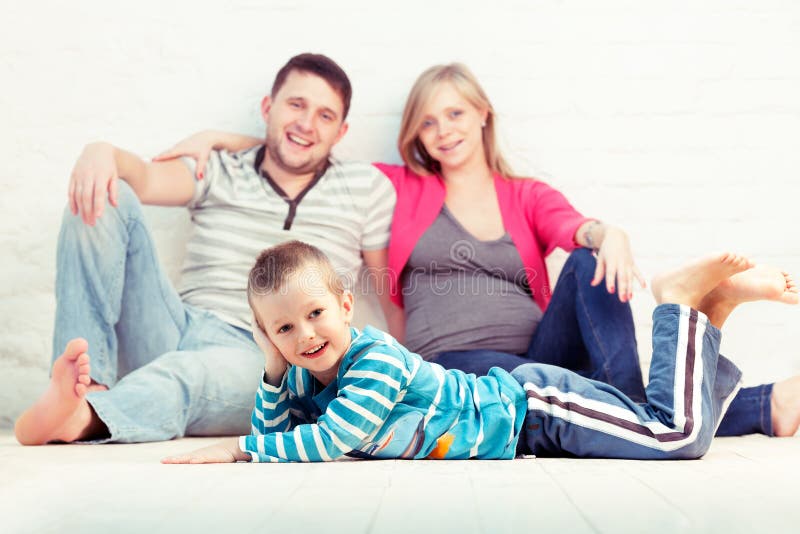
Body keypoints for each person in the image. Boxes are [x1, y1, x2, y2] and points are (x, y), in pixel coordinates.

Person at [160, 63, 800, 437]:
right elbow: (307, 148)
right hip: (460, 363)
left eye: (456, 116)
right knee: (584, 402)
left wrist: (615, 234)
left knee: (585, 263)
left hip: (540, 351)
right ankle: (758, 396)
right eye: (429, 122)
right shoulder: (400, 185)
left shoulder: (524, 194)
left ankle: (686, 385)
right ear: (416, 132)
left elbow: (581, 231)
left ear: (483, 115)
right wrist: (223, 137)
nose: (444, 132)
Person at [14, 53, 398, 446]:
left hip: (265, 350)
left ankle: (82, 418)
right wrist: (102, 152)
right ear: (268, 108)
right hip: (175, 324)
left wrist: (405, 379)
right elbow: (143, 179)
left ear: (341, 132)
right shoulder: (219, 166)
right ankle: (85, 386)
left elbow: (388, 294)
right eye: (296, 105)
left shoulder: (366, 188)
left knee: (187, 375)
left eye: (325, 116)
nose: (306, 123)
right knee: (105, 195)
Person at [161, 241, 797, 464]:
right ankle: (717, 308)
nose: (304, 336)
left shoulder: (373, 359)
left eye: (315, 315)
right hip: (530, 431)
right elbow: (282, 425)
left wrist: (241, 449)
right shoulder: (303, 373)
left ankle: (677, 302)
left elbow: (335, 439)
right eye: (283, 331)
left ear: (346, 306)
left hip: (534, 406)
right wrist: (273, 371)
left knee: (673, 437)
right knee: (681, 427)